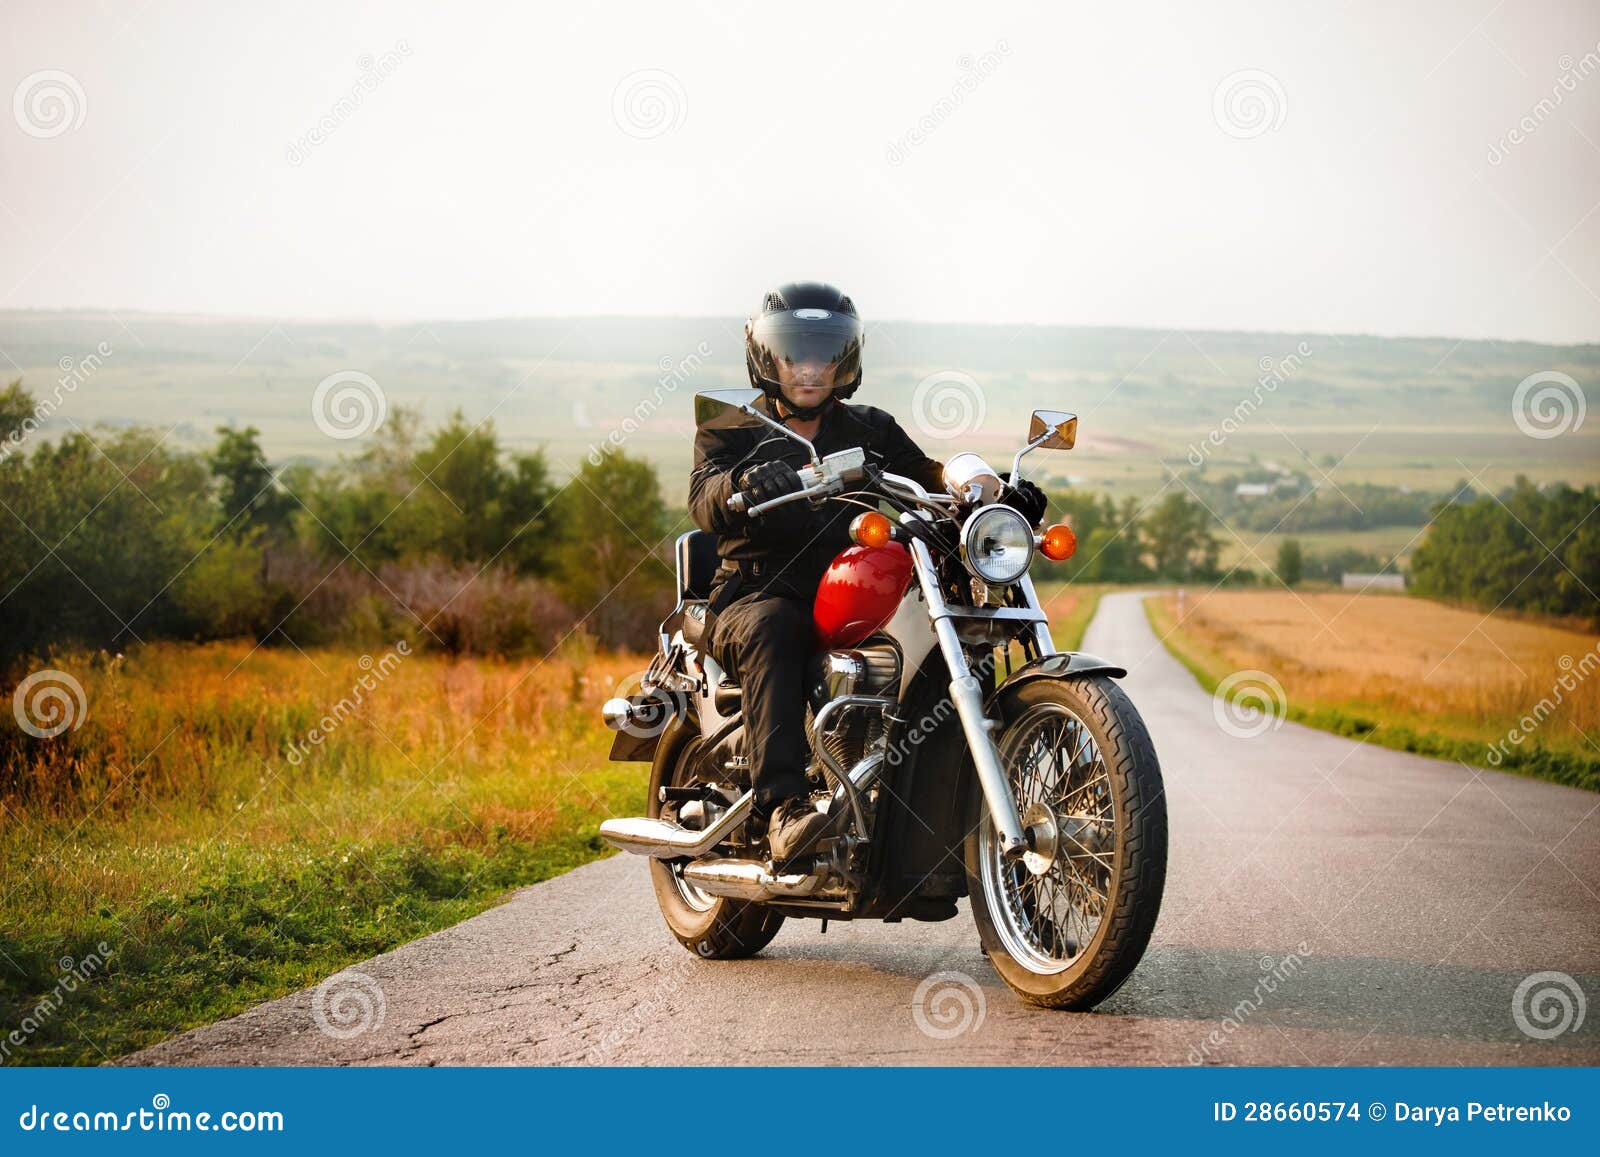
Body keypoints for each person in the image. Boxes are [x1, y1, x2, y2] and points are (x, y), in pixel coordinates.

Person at [687, 282, 1046, 866]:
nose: (808, 369)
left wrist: (995, 494)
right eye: (793, 354)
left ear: (843, 361)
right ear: (766, 359)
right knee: (776, 628)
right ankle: (783, 809)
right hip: (755, 589)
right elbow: (704, 496)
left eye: (823, 355)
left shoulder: (870, 429)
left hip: (845, 584)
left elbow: (928, 475)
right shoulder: (733, 428)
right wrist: (742, 486)